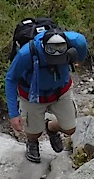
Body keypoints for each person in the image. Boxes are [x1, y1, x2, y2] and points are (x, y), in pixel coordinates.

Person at [5, 28, 88, 163]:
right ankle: (32, 142)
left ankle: (50, 127)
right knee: (34, 132)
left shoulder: (75, 41)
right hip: (33, 95)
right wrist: (13, 113)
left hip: (61, 91)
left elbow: (82, 43)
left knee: (70, 128)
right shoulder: (26, 54)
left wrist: (80, 59)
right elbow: (10, 79)